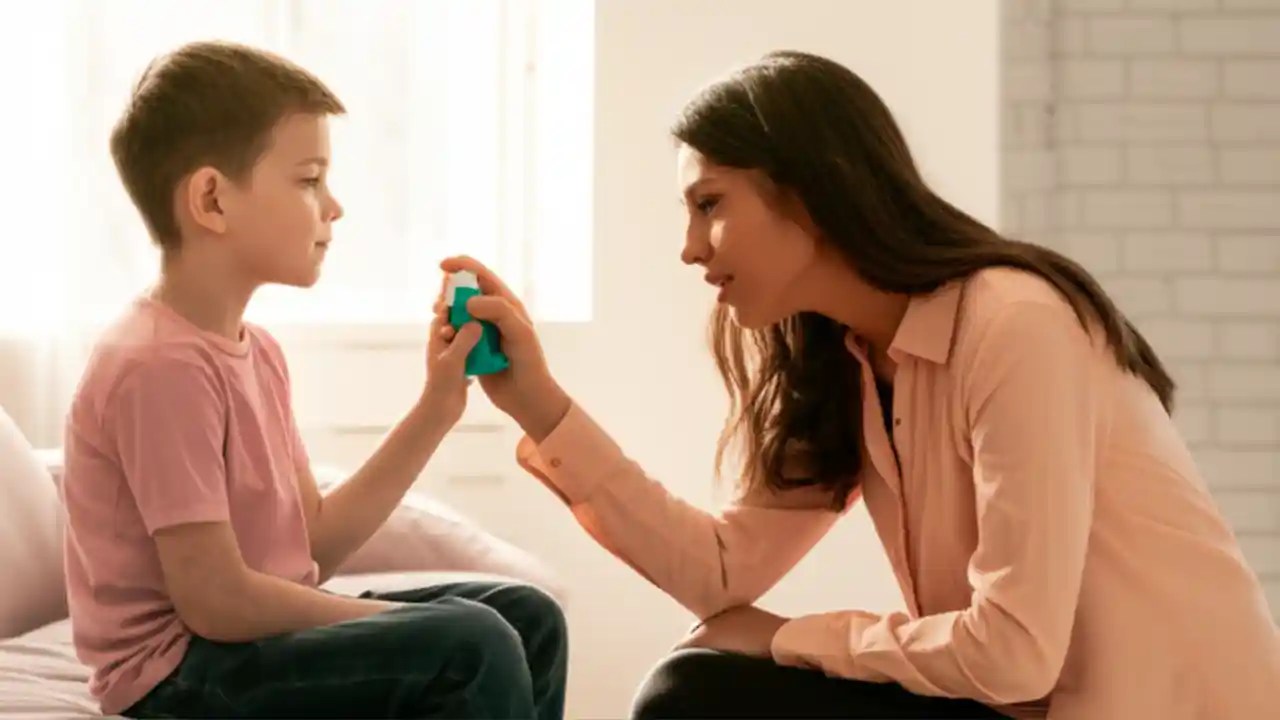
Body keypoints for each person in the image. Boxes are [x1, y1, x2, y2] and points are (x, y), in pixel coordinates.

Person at [440, 50, 1280, 719]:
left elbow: (1016, 651)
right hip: (1018, 705)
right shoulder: (850, 359)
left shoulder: (1014, 324)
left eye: (710, 204)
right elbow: (719, 571)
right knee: (693, 688)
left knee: (696, 696)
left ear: (811, 191)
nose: (690, 248)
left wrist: (788, 638)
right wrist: (536, 403)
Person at [61, 40, 566, 719]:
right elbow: (215, 602)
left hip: (240, 645)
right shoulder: (157, 366)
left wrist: (438, 406)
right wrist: (401, 621)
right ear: (212, 199)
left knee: (528, 617)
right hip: (177, 676)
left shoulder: (256, 352)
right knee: (475, 642)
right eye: (308, 180)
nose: (334, 207)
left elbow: (312, 547)